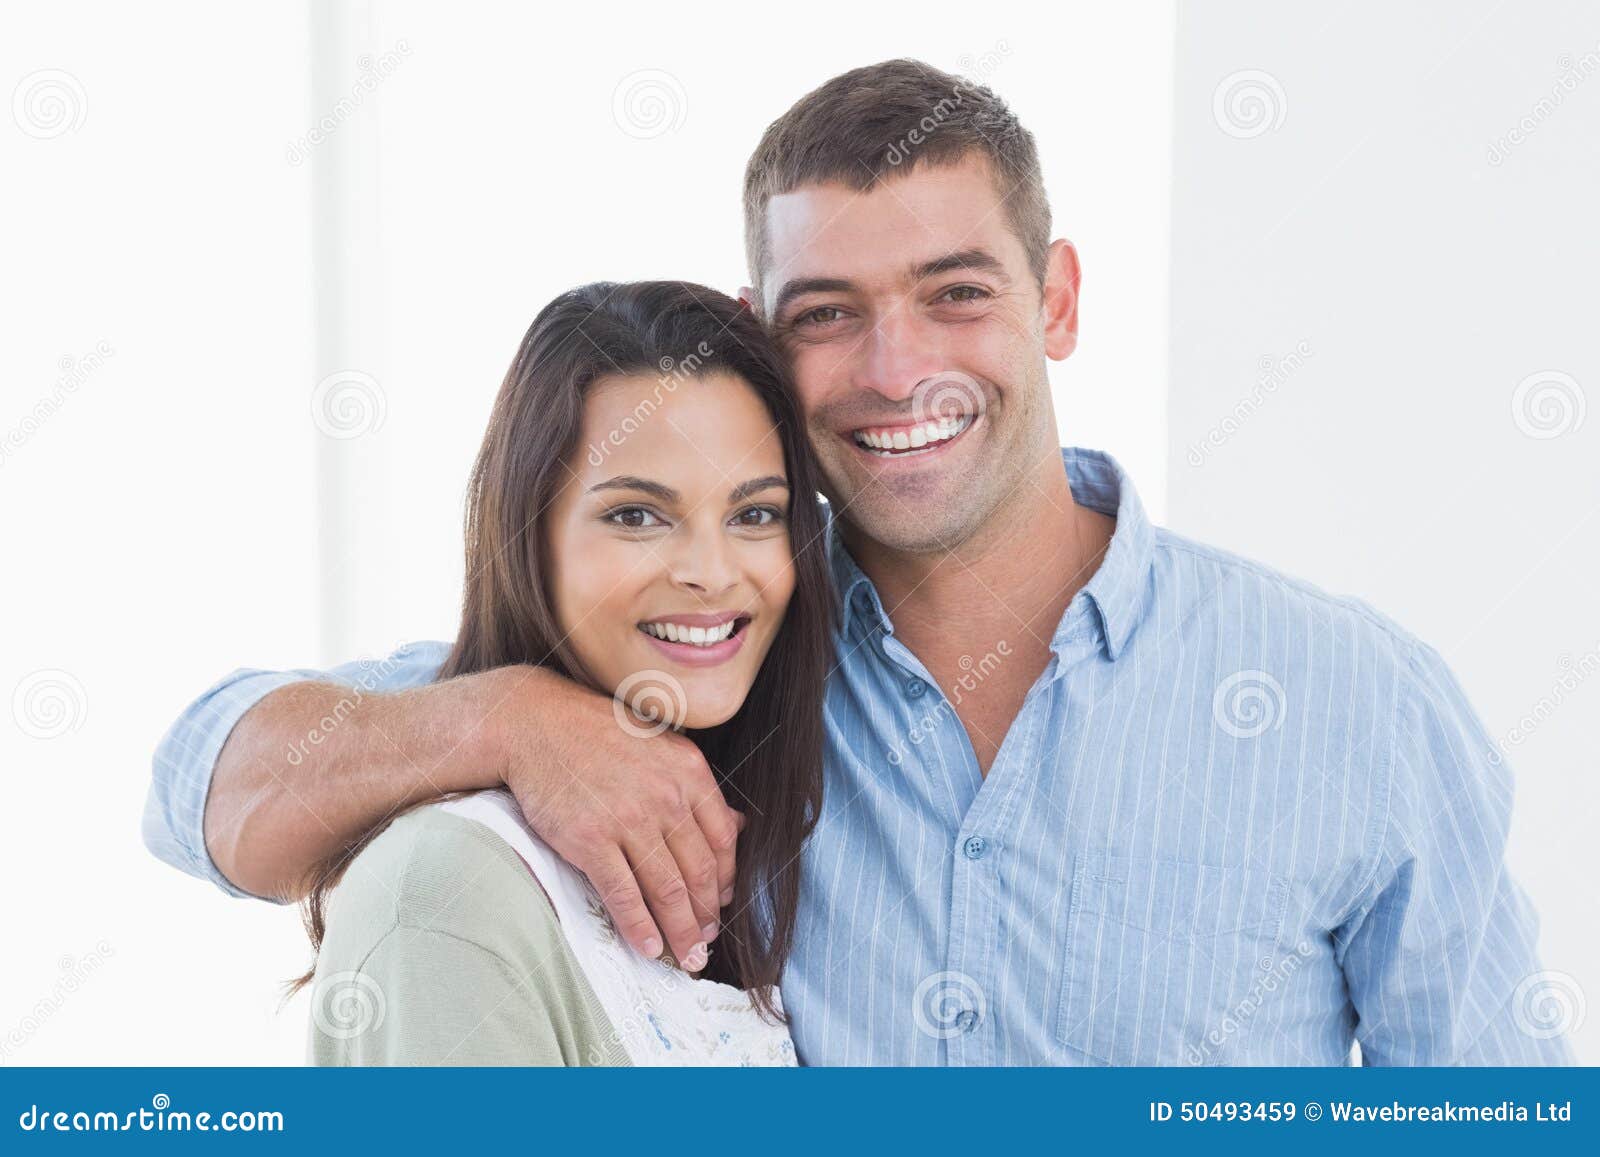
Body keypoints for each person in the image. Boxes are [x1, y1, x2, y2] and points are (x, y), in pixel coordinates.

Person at [146, 60, 1571, 1065]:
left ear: (1056, 299)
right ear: (767, 332)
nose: (898, 371)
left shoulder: (1352, 699)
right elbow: (200, 784)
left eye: (956, 293)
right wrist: (511, 718)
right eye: (829, 312)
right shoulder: (708, 655)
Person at [294, 281, 831, 1063]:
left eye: (754, 513)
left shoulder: (764, 832)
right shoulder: (445, 896)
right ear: (527, 536)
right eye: (637, 515)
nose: (712, 573)